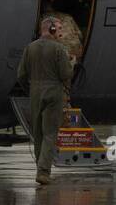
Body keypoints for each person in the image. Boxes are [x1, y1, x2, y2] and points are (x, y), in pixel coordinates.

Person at [17, 15, 75, 186]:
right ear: (51, 29)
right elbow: (65, 75)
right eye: (58, 27)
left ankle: (40, 168)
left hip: (35, 92)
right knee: (50, 133)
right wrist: (72, 64)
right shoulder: (59, 49)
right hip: (53, 93)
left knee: (38, 134)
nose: (60, 31)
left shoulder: (30, 48)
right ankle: (43, 172)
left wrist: (31, 89)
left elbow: (21, 75)